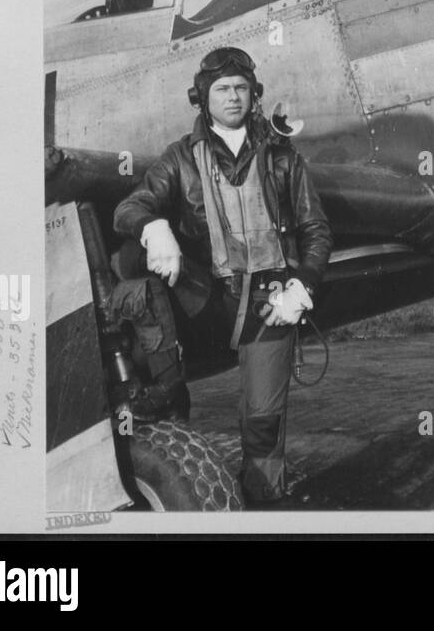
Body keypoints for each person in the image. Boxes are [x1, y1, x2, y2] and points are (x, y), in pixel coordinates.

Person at [113, 46, 332, 507]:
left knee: (263, 421)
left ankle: (266, 504)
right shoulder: (180, 159)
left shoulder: (283, 157)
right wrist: (155, 230)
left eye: (241, 89)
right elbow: (129, 207)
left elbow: (315, 229)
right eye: (222, 90)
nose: (233, 97)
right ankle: (170, 466)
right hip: (205, 300)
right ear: (202, 98)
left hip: (268, 302)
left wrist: (303, 285)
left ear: (254, 95)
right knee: (136, 275)